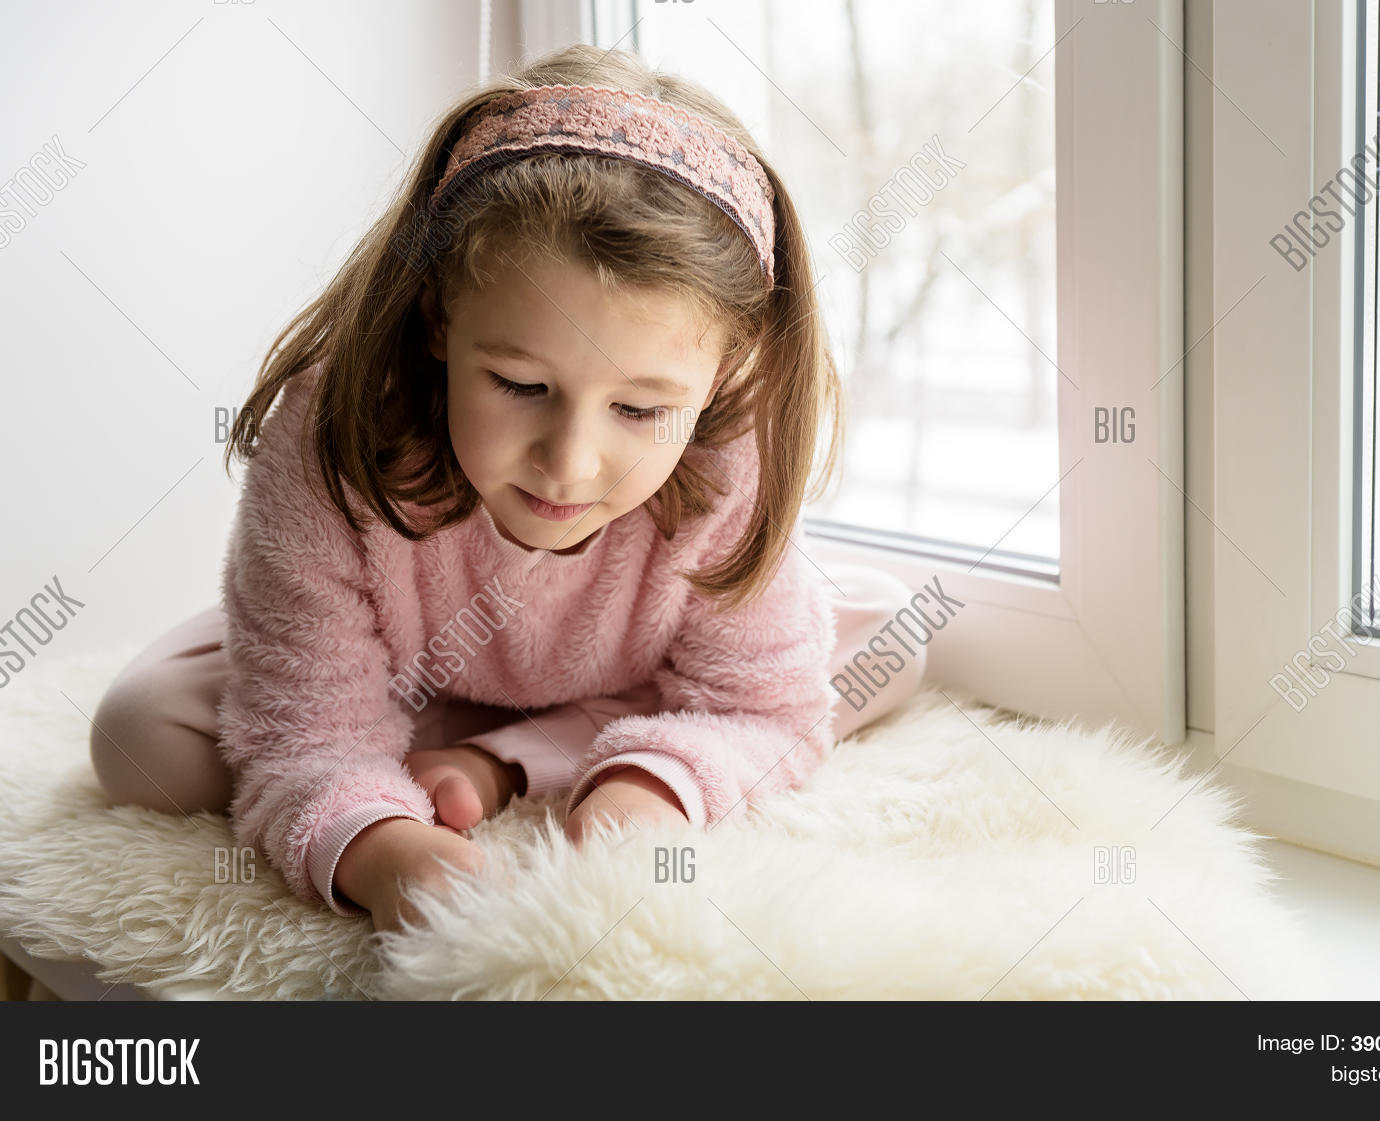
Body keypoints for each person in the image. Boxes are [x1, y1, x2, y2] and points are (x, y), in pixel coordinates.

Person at [88, 43, 927, 932]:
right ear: (439, 316)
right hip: (402, 669)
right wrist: (383, 851)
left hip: (620, 674)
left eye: (640, 409)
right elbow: (303, 732)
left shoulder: (729, 451)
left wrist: (649, 788)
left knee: (895, 634)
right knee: (141, 736)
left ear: (722, 377)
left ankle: (510, 756)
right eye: (522, 387)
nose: (568, 463)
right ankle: (469, 744)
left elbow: (764, 707)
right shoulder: (335, 429)